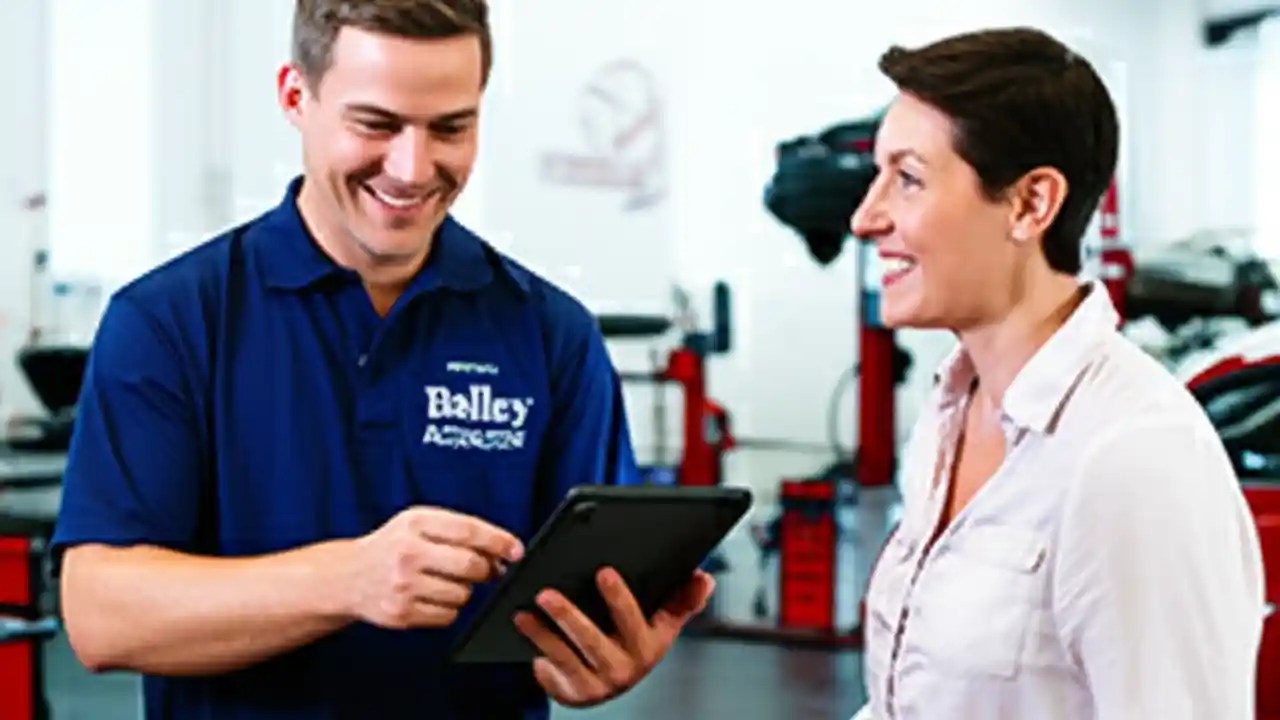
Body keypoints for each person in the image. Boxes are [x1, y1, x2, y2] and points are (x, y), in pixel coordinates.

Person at [50, 1, 713, 718]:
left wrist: (601, 656)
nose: (411, 168)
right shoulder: (170, 321)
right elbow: (100, 616)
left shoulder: (551, 335)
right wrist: (349, 580)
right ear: (295, 98)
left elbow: (589, 594)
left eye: (450, 127)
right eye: (376, 124)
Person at [847, 27, 1265, 720]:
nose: (867, 216)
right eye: (877, 176)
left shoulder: (1132, 456)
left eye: (909, 179)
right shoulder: (949, 418)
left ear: (1031, 203)